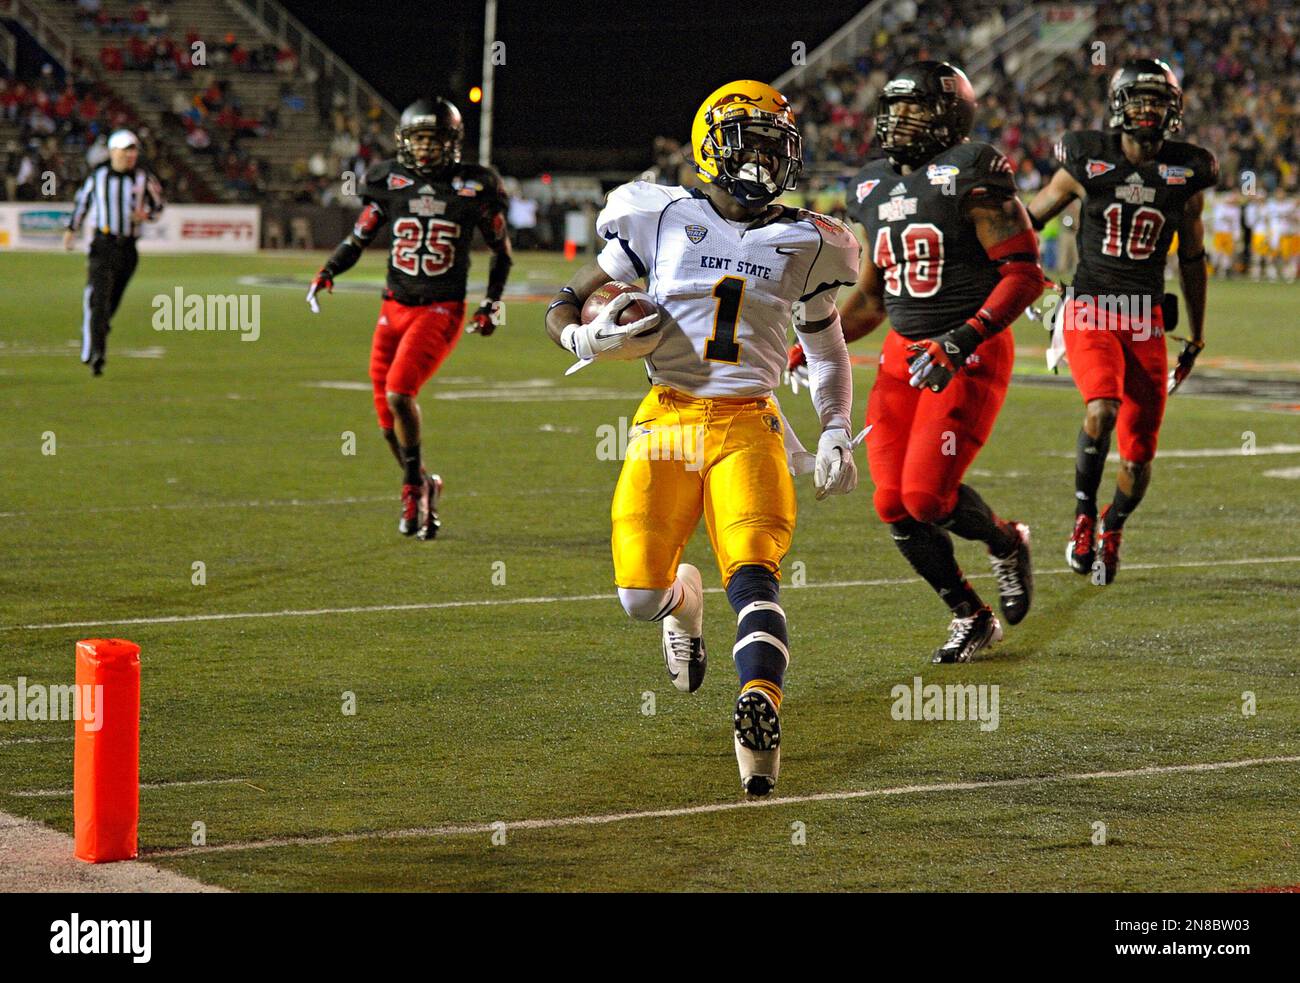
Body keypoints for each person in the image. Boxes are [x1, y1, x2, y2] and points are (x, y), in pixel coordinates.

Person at [544, 80, 859, 796]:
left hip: (751, 419)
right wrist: (585, 336)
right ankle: (683, 602)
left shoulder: (810, 241)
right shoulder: (656, 216)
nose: (759, 161)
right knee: (635, 593)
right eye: (745, 143)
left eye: (771, 147)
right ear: (710, 147)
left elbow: (830, 350)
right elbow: (563, 301)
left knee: (755, 570)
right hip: (668, 416)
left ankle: (760, 712)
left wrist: (836, 428)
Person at [800, 61, 1041, 664]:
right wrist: (807, 341)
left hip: (970, 349)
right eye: (895, 106)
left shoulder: (972, 171)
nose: (898, 118)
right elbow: (875, 299)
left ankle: (1007, 542)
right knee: (891, 504)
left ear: (951, 115)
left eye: (916, 107)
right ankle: (971, 616)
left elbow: (1025, 275)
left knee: (929, 499)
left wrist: (961, 339)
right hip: (902, 354)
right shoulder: (871, 184)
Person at [1029, 58, 1216, 584]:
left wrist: (1197, 333)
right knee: (1103, 406)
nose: (1148, 109)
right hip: (1090, 308)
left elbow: (1193, 260)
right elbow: (1027, 221)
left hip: (1146, 319)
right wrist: (1026, 283)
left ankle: (1113, 524)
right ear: (1119, 105)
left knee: (1138, 455)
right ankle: (1084, 517)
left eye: (1158, 100)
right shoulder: (1088, 159)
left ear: (1174, 110)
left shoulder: (1188, 171)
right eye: (1139, 99)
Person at [307, 97, 512, 540]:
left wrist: (491, 303)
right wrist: (328, 271)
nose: (423, 148)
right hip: (392, 306)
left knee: (401, 393)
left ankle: (409, 486)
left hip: (441, 307)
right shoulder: (387, 181)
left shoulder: (475, 186)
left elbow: (501, 253)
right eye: (417, 138)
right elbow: (359, 236)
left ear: (451, 142)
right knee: (385, 423)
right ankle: (424, 485)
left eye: (432, 139)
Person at [63, 128, 164, 376]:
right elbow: (82, 203)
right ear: (113, 152)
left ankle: (97, 330)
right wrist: (71, 229)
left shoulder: (144, 178)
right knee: (98, 299)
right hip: (103, 244)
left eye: (133, 150)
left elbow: (159, 206)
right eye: (125, 150)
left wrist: (146, 216)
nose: (130, 155)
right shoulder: (97, 176)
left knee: (111, 302)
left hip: (128, 248)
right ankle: (96, 352)